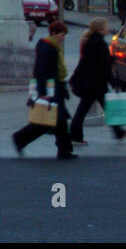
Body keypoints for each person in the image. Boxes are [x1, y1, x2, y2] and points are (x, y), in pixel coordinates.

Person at [12, 19, 76, 159]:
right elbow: (41, 72)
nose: (62, 38)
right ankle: (19, 138)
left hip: (55, 87)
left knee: (59, 120)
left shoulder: (53, 47)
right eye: (61, 35)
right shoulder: (48, 48)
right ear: (53, 33)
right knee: (49, 121)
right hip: (50, 89)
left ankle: (64, 150)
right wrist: (43, 93)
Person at [69, 17, 126, 144]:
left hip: (91, 82)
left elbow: (87, 62)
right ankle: (75, 136)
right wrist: (115, 82)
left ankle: (119, 132)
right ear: (101, 29)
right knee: (83, 111)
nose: (108, 29)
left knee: (92, 109)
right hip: (95, 84)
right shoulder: (100, 44)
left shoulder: (89, 41)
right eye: (106, 26)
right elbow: (104, 67)